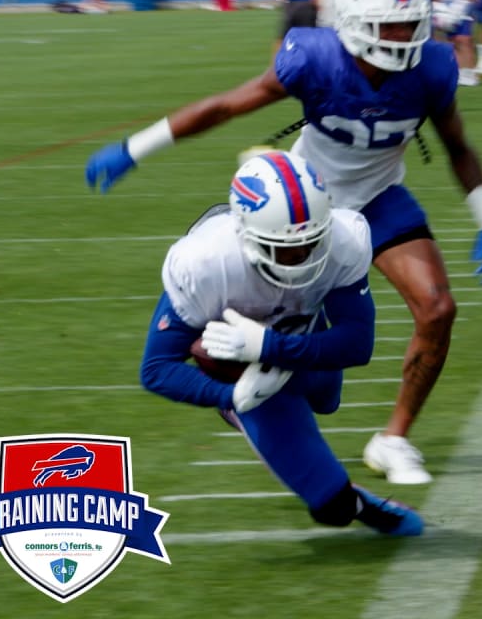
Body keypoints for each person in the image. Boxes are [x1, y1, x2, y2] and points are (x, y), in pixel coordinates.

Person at [85, 0, 482, 485]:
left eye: (410, 22)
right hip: (306, 204)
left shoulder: (430, 67)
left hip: (380, 196)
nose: (405, 35)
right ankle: (252, 402)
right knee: (282, 342)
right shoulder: (314, 58)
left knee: (438, 307)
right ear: (355, 24)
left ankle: (394, 439)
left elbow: (458, 147)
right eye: (391, 25)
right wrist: (135, 147)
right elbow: (226, 107)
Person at [139, 151, 423, 536]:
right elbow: (156, 370)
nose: (301, 256)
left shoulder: (344, 237)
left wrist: (268, 346)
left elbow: (357, 343)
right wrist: (231, 395)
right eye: (284, 248)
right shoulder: (205, 262)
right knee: (332, 508)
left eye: (311, 241)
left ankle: (272, 384)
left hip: (293, 336)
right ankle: (358, 502)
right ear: (246, 233)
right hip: (243, 367)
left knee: (327, 398)